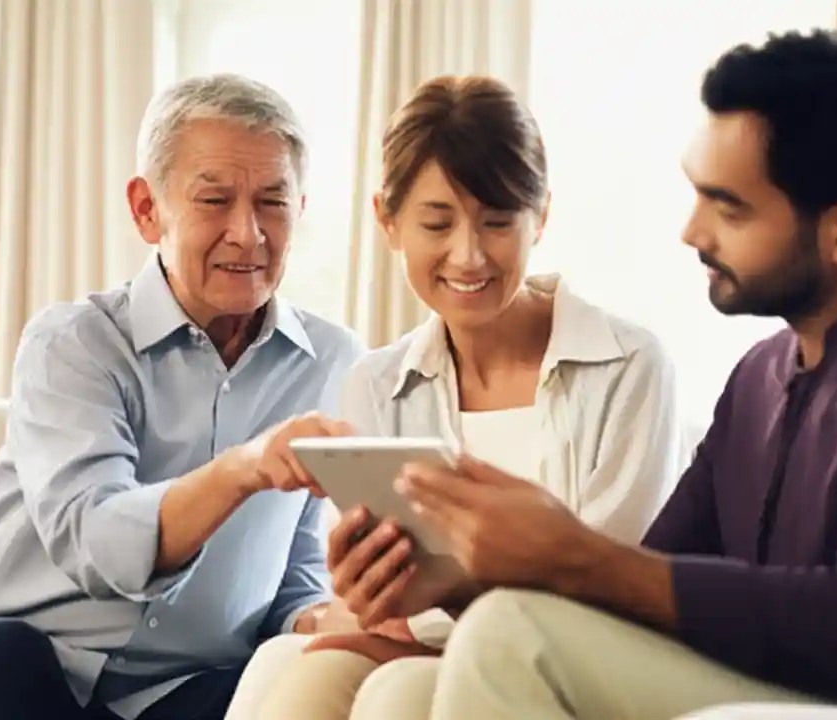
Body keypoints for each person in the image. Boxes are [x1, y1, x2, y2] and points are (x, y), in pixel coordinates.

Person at [314, 30, 837, 718]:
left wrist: (569, 552)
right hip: (788, 687)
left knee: (510, 639)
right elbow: (644, 590)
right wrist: (446, 582)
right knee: (404, 692)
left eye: (728, 207)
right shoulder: (762, 375)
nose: (692, 231)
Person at [0, 74, 369, 720]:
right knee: (1, 663)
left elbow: (291, 574)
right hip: (13, 665)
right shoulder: (74, 345)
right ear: (147, 209)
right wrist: (243, 469)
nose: (248, 233)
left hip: (186, 687)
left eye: (271, 202)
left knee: (298, 685)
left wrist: (325, 621)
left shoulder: (336, 360)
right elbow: (97, 543)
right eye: (214, 200)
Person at [232, 75, 685, 720]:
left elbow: (606, 589)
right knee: (281, 659)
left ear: (541, 217)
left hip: (566, 664)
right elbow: (379, 601)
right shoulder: (378, 383)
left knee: (390, 692)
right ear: (388, 220)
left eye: (498, 222)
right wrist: (364, 592)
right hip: (431, 644)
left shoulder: (628, 366)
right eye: (437, 223)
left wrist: (420, 612)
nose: (468, 256)